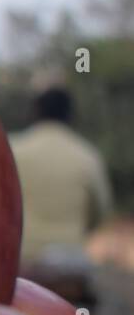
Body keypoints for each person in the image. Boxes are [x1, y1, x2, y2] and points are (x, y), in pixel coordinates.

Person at [11, 87, 114, 285]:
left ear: (35, 112)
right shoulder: (87, 156)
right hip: (69, 265)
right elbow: (101, 213)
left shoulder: (13, 149)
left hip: (21, 260)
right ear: (70, 115)